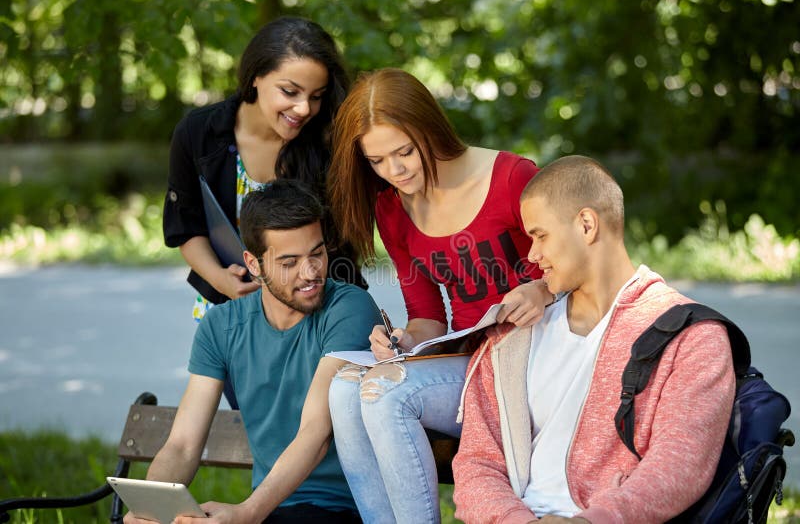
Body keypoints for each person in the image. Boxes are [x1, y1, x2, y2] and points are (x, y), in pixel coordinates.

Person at [452, 155, 736, 523]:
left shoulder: (690, 336)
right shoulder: (512, 337)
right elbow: (476, 463)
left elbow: (680, 465)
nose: (532, 255)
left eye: (540, 235)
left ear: (586, 225)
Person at [326, 68, 554, 523]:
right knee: (344, 388)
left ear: (429, 128)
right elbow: (427, 315)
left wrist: (543, 287)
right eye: (377, 161)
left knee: (386, 395)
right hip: (470, 365)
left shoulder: (511, 177)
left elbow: (582, 263)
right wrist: (403, 341)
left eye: (404, 152)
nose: (394, 171)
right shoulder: (392, 208)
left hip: (536, 362)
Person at [126, 180, 382, 524]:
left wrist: (247, 513)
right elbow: (183, 444)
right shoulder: (221, 326)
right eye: (289, 262)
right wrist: (151, 507)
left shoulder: (349, 309)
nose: (311, 273)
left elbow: (316, 432)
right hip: (273, 509)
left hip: (347, 508)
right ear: (254, 264)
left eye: (317, 254)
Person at [163, 16, 365, 408]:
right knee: (264, 426)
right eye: (290, 91)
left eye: (317, 95)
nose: (304, 108)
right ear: (255, 77)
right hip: (233, 313)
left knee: (321, 427)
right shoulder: (198, 133)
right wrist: (222, 281)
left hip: (317, 316)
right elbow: (185, 227)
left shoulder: (327, 141)